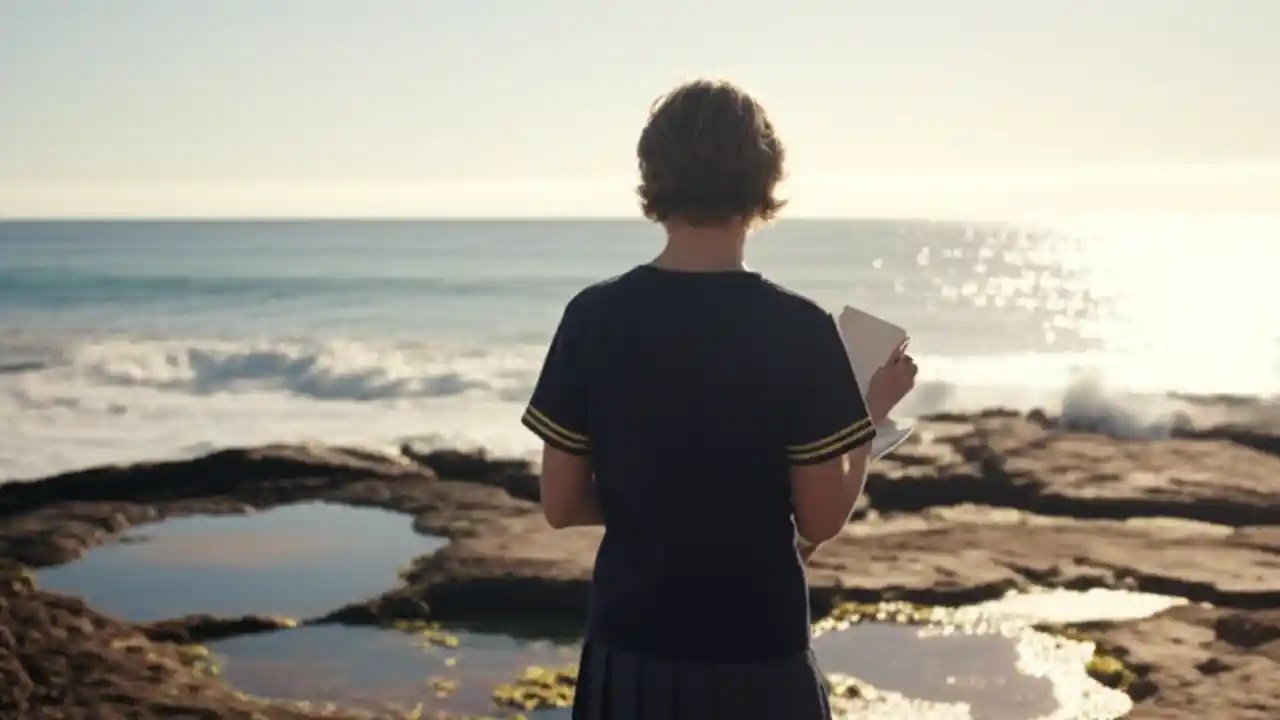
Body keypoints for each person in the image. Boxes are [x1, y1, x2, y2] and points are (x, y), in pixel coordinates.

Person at [520, 79, 917, 720]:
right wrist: (868, 416)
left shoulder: (592, 317)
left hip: (632, 653)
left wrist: (655, 506)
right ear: (764, 184)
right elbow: (819, 522)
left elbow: (561, 505)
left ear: (653, 177)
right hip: (756, 655)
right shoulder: (799, 329)